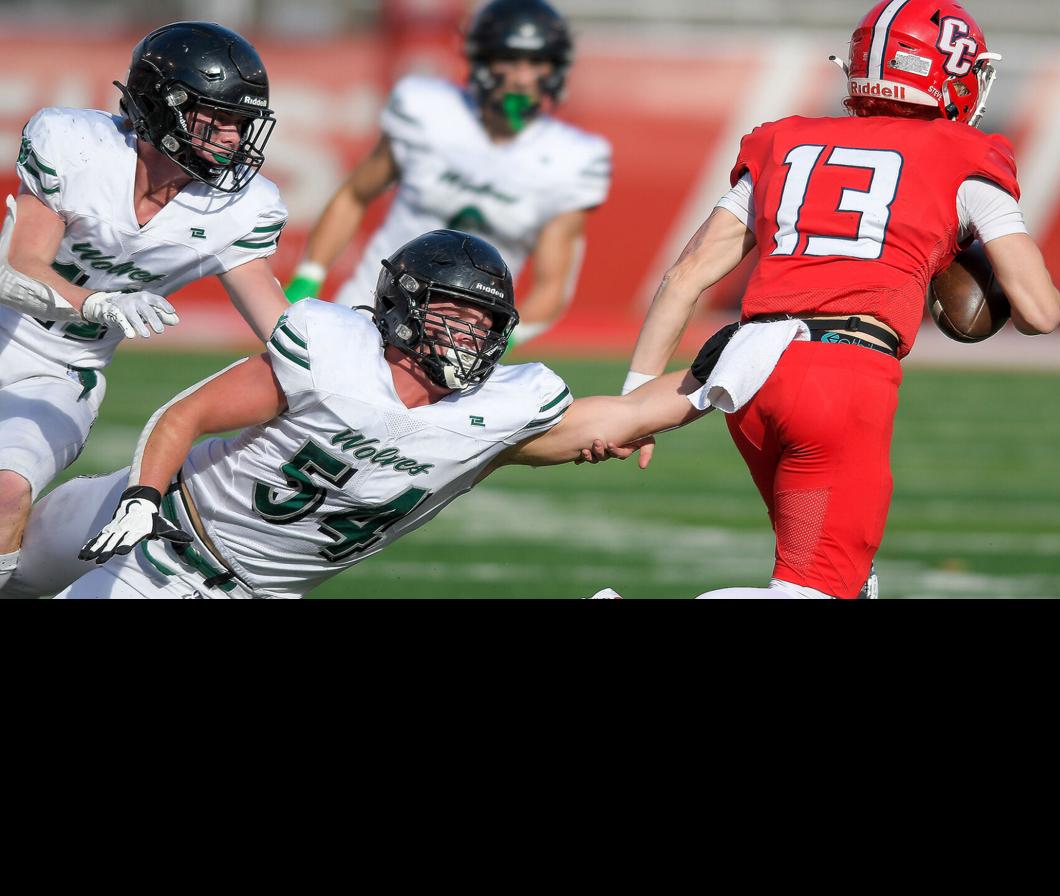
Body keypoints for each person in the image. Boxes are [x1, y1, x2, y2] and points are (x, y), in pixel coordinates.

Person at [614, 0, 1060, 599]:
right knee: (814, 593)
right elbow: (1040, 311)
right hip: (842, 376)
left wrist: (633, 400)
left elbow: (686, 276)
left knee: (845, 586)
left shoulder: (785, 141)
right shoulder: (966, 153)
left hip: (751, 372)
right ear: (946, 71)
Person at [32, 229, 663, 600]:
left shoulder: (498, 413)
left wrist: (725, 374)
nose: (467, 336)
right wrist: (142, 497)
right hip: (157, 520)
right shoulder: (334, 352)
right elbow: (186, 415)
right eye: (452, 314)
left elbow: (625, 418)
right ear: (403, 305)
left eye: (483, 324)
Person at [0, 21, 289, 597]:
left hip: (58, 372)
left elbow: (279, 324)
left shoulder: (242, 208)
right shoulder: (78, 145)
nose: (234, 139)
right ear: (164, 106)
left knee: (7, 492)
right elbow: (17, 269)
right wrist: (98, 302)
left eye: (242, 123)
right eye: (220, 118)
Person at [282, 0, 610, 348]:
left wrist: (499, 341)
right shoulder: (426, 109)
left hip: (461, 337)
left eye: (537, 62)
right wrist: (309, 276)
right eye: (509, 59)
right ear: (482, 58)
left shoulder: (575, 159)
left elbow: (552, 286)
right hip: (369, 307)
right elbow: (354, 194)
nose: (523, 77)